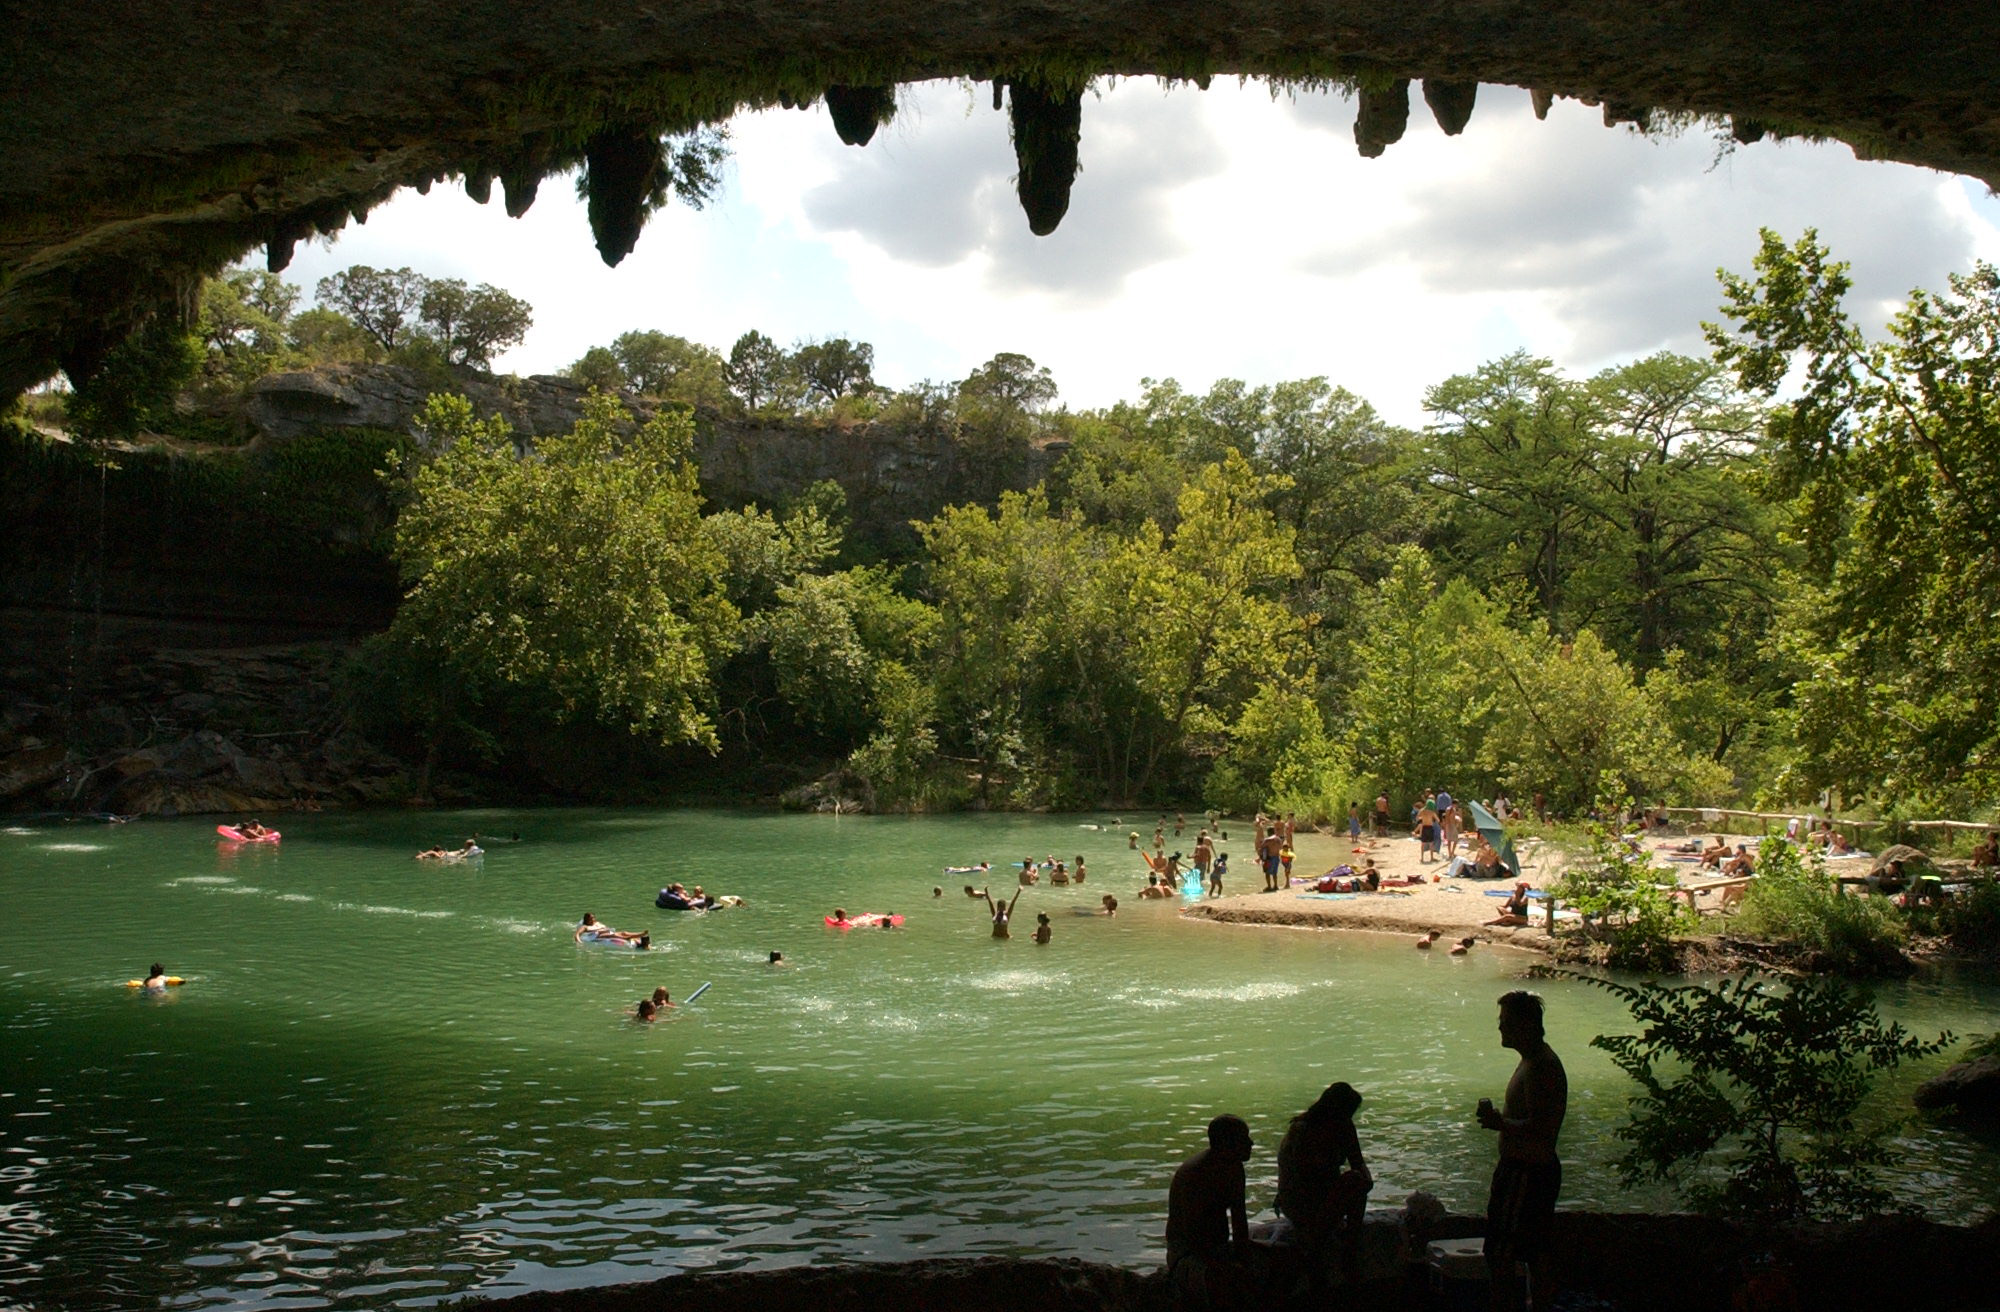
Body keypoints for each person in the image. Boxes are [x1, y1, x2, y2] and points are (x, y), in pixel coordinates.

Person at [1477, 991, 1568, 1312]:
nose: (1500, 1029)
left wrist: (1499, 1123)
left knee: (1502, 1251)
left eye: (1506, 1023)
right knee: (1532, 1250)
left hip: (1526, 1173)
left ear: (1526, 1025)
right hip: (1526, 1171)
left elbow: (1542, 1126)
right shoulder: (1533, 1060)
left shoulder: (1542, 1066)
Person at [1276, 1082, 1372, 1290]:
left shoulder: (1344, 1126)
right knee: (1354, 1182)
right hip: (1302, 1198)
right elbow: (1303, 1179)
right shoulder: (1303, 1132)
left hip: (1323, 1191)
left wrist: (1365, 1179)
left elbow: (1357, 1160)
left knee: (1357, 1181)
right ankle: (1319, 1245)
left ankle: (1346, 1243)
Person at [1166, 1114, 1256, 1312]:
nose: (1251, 1143)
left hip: (1217, 1249)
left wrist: (1245, 1259)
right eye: (1244, 1138)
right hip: (1187, 1254)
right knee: (1228, 1284)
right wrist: (1229, 1265)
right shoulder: (1196, 1175)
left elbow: (1240, 1223)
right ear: (1227, 1143)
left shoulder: (1234, 1168)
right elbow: (1193, 1236)